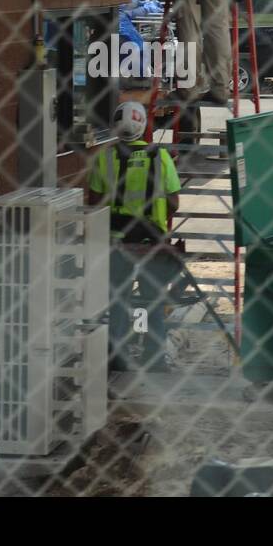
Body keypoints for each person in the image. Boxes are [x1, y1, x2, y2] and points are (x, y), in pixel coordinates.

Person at [86, 101, 184, 372]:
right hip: (151, 243)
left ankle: (116, 359)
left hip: (117, 242)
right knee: (153, 301)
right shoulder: (160, 157)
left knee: (117, 302)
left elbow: (94, 203)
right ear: (143, 125)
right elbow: (175, 202)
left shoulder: (104, 158)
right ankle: (153, 358)